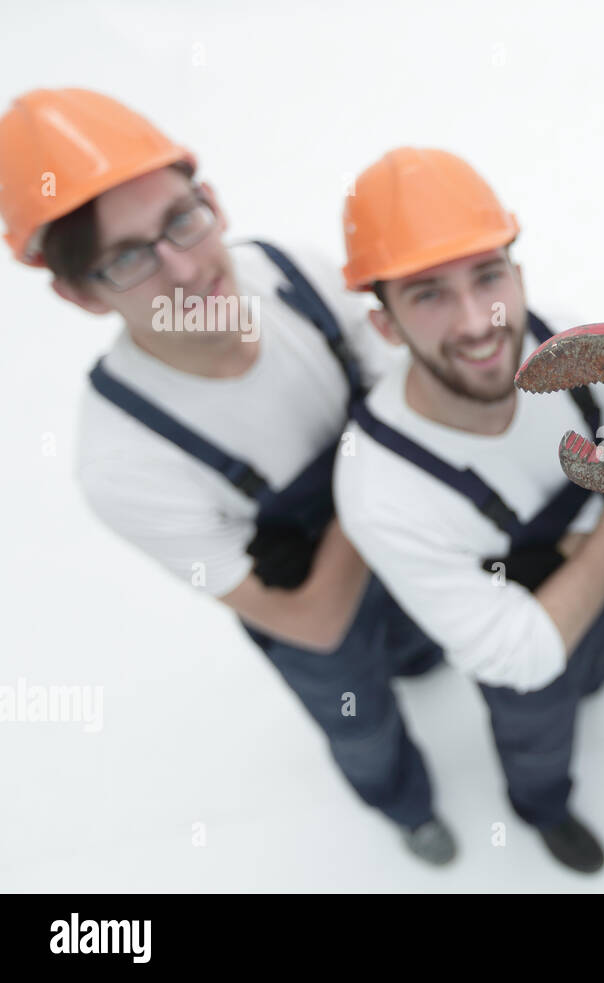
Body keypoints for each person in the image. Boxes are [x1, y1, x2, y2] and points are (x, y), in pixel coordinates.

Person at [0, 88, 456, 865]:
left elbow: (414, 396)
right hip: (321, 615)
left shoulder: (291, 273)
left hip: (400, 537)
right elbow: (308, 619)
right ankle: (404, 803)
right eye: (130, 257)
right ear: (78, 293)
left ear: (211, 199)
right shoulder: (125, 460)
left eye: (182, 218)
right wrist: (373, 462)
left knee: (423, 630)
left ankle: (420, 655)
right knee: (361, 719)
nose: (186, 267)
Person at [332, 147, 604, 874]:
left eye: (488, 277)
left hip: (591, 586)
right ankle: (543, 808)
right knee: (537, 727)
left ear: (519, 273)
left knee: (594, 646)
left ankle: (598, 670)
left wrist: (592, 559)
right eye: (428, 295)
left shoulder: (579, 349)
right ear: (386, 326)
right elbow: (522, 653)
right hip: (521, 647)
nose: (479, 322)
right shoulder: (380, 486)